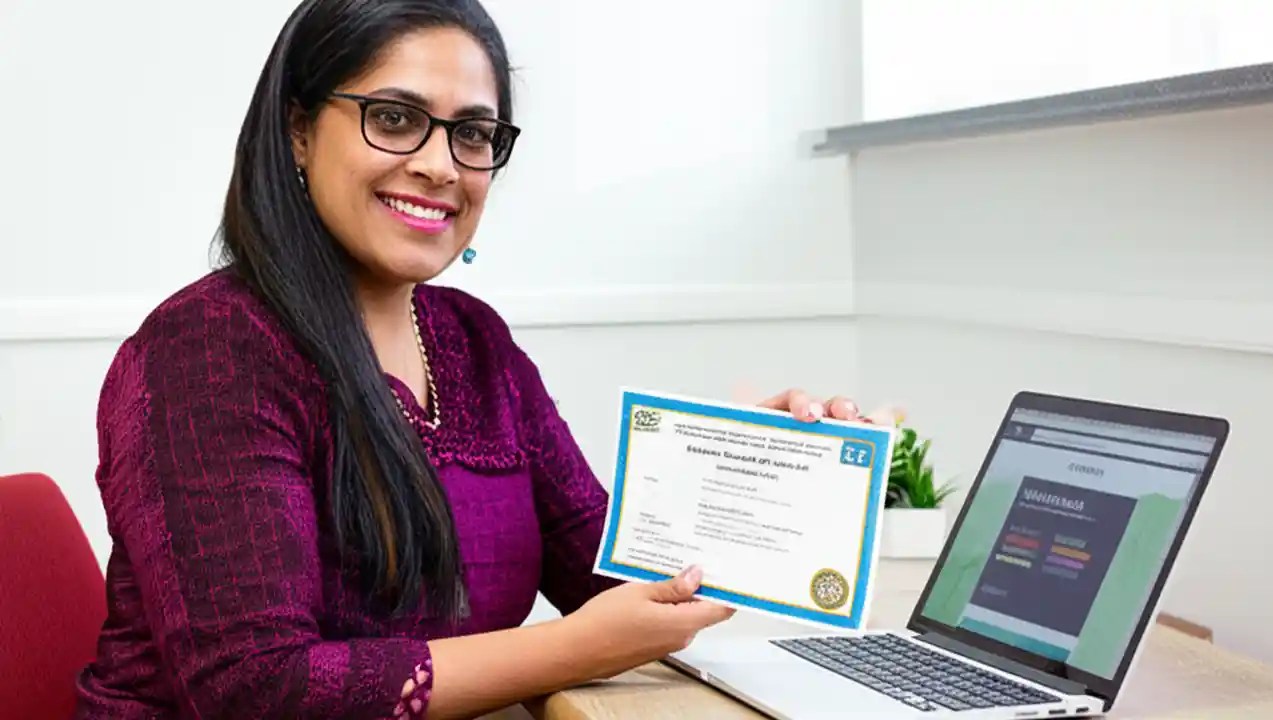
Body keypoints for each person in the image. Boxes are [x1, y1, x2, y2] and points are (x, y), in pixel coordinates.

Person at [73, 1, 867, 718]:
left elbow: (602, 574)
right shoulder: (208, 350)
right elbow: (256, 689)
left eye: (473, 134)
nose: (442, 165)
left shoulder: (474, 340)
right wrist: (572, 649)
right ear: (298, 131)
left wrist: (746, 473)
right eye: (393, 118)